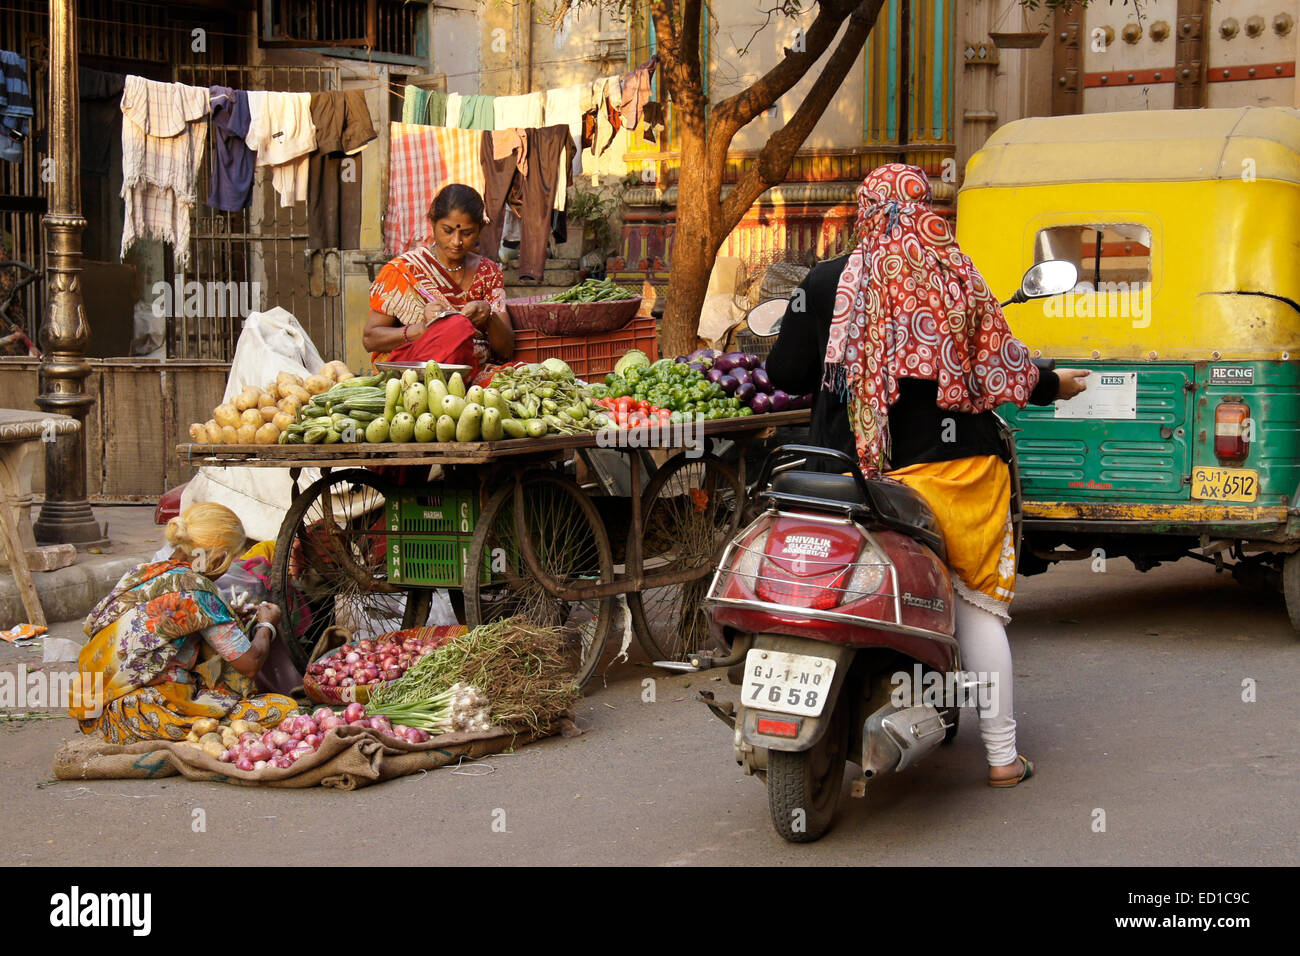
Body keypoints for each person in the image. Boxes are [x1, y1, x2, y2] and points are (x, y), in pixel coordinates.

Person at [766, 163, 1090, 788]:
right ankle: (1001, 759)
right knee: (976, 609)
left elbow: (783, 374)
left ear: (865, 212)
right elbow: (1005, 367)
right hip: (955, 474)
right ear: (926, 209)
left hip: (858, 477)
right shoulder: (956, 274)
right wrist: (1056, 384)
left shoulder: (829, 280)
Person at [70, 503, 297, 743]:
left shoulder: (140, 572)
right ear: (219, 556)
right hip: (146, 715)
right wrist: (266, 625)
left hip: (104, 714)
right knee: (283, 708)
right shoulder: (199, 592)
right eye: (231, 558)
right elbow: (250, 664)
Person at [364, 183, 515, 384]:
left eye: (467, 233)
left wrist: (489, 316)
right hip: (416, 373)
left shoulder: (489, 273)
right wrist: (423, 329)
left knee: (522, 376)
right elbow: (370, 338)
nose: (456, 241)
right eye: (448, 230)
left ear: (481, 229)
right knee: (457, 327)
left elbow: (506, 349)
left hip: (472, 371)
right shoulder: (403, 271)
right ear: (433, 223)